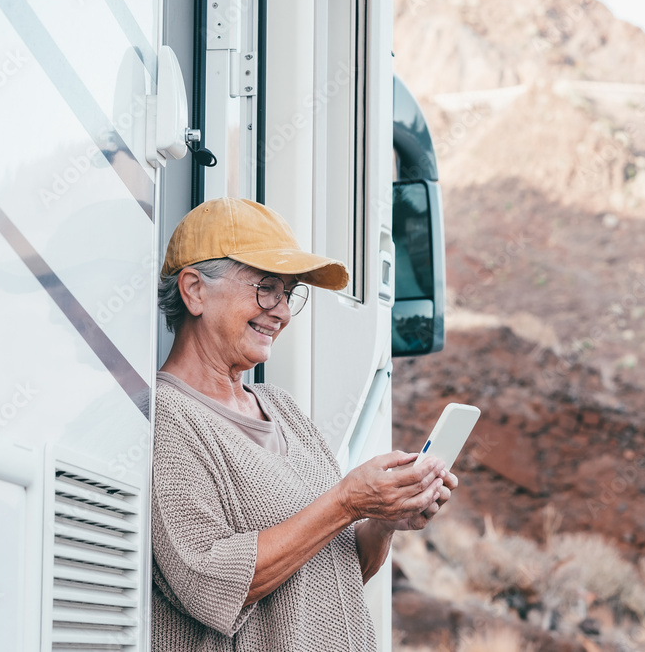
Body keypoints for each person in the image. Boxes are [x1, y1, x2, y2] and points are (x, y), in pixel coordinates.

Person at [151, 197, 459, 651]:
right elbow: (208, 581)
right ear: (194, 290)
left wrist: (385, 520)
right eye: (266, 287)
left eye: (289, 292)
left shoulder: (283, 409)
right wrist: (347, 502)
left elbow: (338, 570)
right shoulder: (165, 417)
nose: (282, 312)